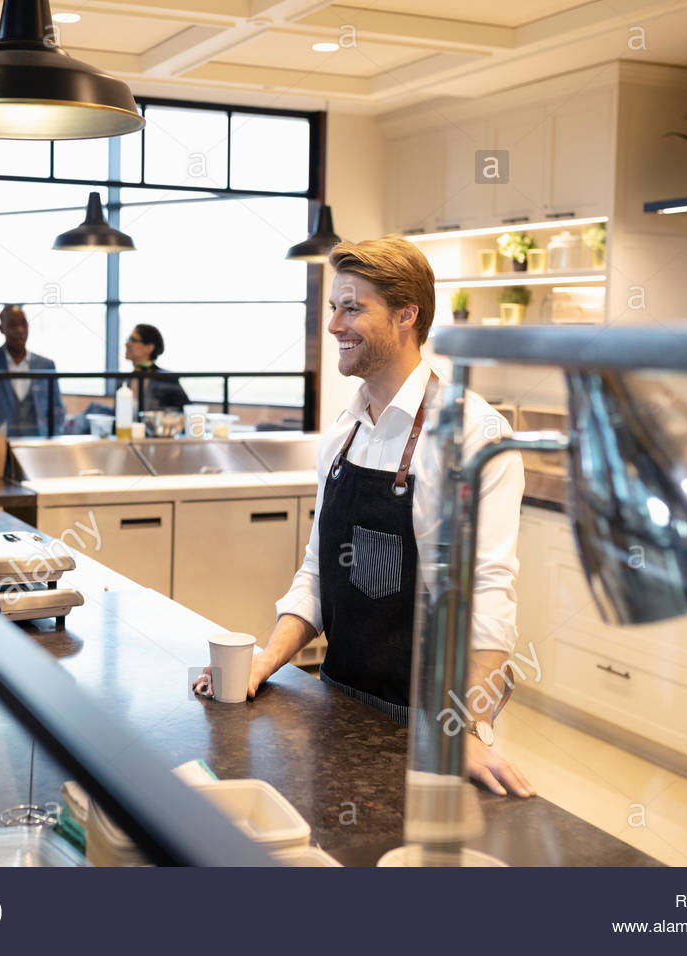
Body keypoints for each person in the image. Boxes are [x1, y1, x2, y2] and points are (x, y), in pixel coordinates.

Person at [203, 236, 533, 799]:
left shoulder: (474, 436)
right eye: (334, 307)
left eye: (352, 307)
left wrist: (466, 729)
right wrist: (265, 662)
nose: (334, 325)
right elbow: (316, 574)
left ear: (408, 315)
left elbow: (488, 598)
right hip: (336, 701)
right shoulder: (344, 432)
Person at [0, 304, 66, 437]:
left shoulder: (46, 365)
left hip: (38, 446)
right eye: (12, 325)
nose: (20, 330)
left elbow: (57, 410)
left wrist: (51, 438)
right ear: (1, 328)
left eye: (23, 324)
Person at [125, 323, 189, 410]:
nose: (127, 344)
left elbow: (185, 409)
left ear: (149, 347)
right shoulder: (124, 378)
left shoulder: (166, 378)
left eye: (132, 340)